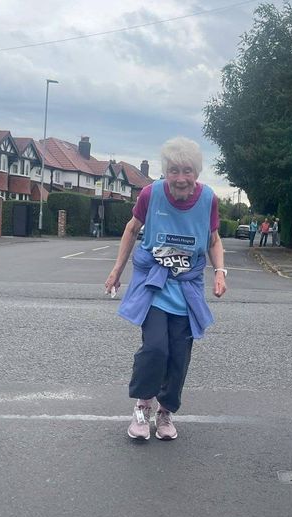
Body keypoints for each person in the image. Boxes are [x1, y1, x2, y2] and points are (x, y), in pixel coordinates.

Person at [105, 137, 226, 441]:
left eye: (187, 171)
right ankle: (143, 406)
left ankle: (166, 411)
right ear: (166, 172)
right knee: (156, 348)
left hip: (187, 290)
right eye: (174, 171)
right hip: (155, 286)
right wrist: (117, 270)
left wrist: (220, 273)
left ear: (196, 173)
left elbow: (213, 240)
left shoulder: (209, 199)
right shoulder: (150, 194)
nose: (181, 178)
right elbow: (132, 229)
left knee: (179, 356)